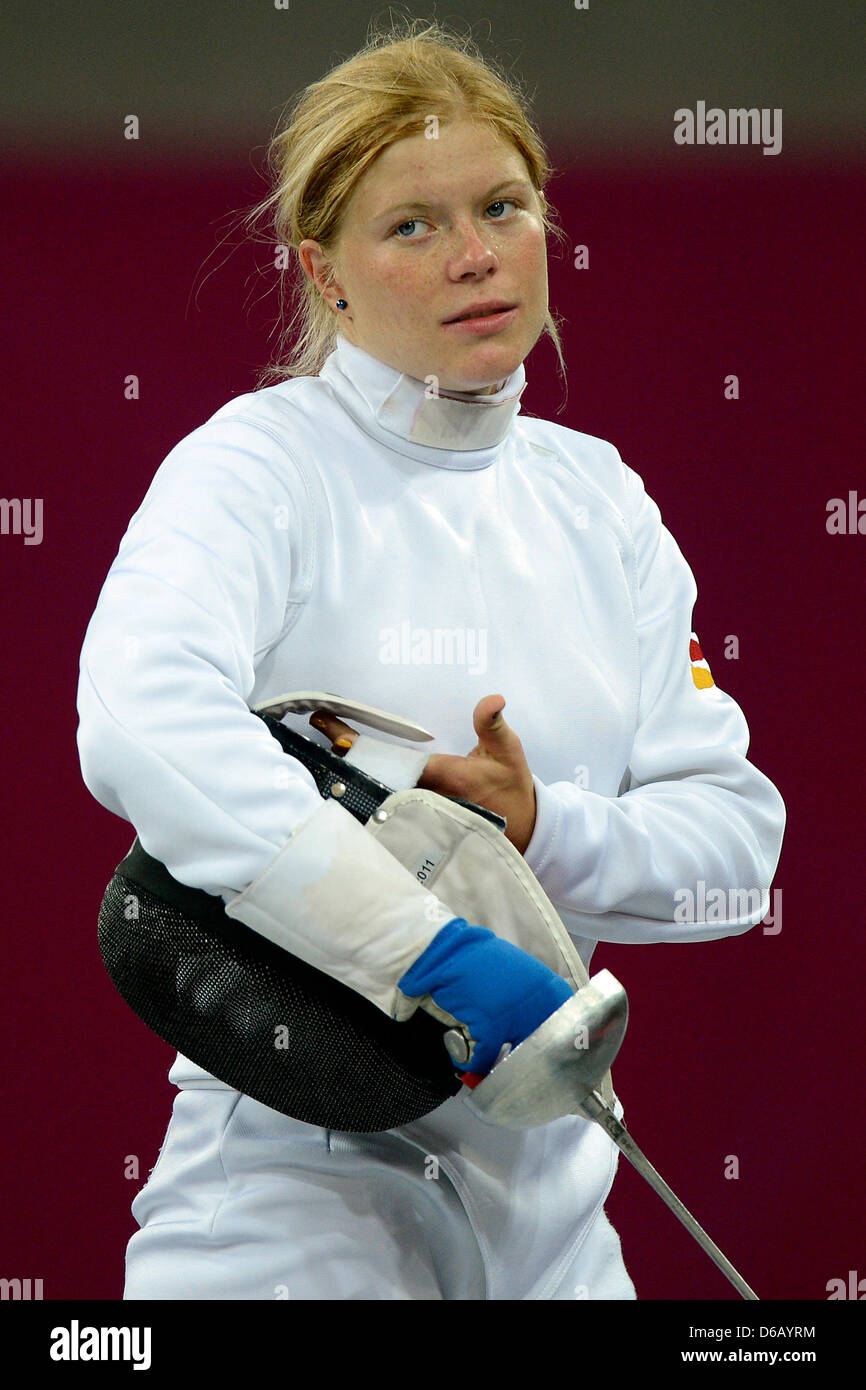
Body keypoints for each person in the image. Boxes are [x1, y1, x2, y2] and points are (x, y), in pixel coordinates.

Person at [76, 19, 786, 1301]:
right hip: (288, 1199)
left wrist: (538, 828)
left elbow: (733, 846)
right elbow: (139, 718)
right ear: (324, 271)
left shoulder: (599, 500)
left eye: (502, 207)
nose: (475, 257)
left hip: (557, 1219)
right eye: (411, 225)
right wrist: (422, 946)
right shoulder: (257, 466)